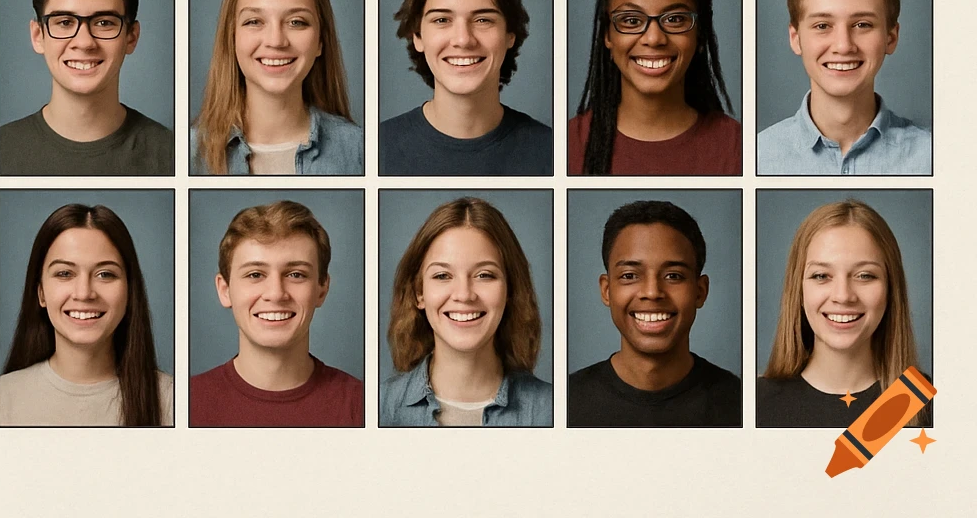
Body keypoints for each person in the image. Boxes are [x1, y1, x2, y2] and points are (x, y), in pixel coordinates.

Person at [0, 0, 173, 177]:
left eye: (103, 23)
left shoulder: (172, 154)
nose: (84, 42)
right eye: (64, 22)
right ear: (38, 36)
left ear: (131, 37)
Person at [757, 0, 931, 176]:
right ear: (796, 39)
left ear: (891, 38)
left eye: (862, 25)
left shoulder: (932, 156)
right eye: (822, 26)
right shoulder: (756, 156)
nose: (843, 46)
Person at [380, 0, 552, 177]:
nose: (463, 39)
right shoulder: (374, 148)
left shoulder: (552, 151)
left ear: (510, 34)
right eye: (442, 19)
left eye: (483, 20)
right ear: (417, 36)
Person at [189, 201, 364, 427]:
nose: (276, 294)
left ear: (322, 289)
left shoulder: (362, 406)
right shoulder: (185, 402)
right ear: (225, 290)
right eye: (254, 275)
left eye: (296, 275)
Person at [568, 200, 741, 426]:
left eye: (673, 276)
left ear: (700, 291)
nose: (652, 292)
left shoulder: (741, 403)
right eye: (629, 275)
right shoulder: (563, 403)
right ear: (607, 290)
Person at [381, 197, 552, 426]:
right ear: (418, 293)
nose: (464, 294)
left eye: (484, 275)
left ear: (510, 289)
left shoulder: (553, 410)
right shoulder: (377, 407)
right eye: (442, 276)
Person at [757, 199, 928, 427]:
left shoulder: (929, 402)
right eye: (821, 276)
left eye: (865, 275)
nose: (843, 295)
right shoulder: (753, 404)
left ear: (891, 289)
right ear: (798, 289)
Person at [0, 203, 173, 426]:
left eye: (105, 274)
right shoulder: (0, 399)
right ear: (41, 293)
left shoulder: (173, 401)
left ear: (129, 292)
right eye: (64, 273)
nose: (84, 293)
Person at [191, 0, 362, 176]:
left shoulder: (361, 150)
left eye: (296, 22)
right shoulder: (185, 154)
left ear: (321, 41)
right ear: (231, 38)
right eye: (254, 21)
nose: (276, 41)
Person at [569, 0, 740, 176]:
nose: (653, 38)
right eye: (631, 20)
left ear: (700, 35)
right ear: (607, 37)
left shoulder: (739, 147)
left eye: (675, 19)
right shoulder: (566, 144)